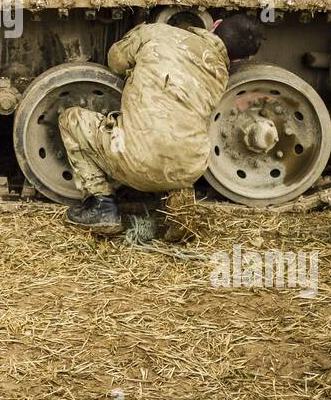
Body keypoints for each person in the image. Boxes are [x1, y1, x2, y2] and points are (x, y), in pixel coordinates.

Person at [59, 13, 266, 234]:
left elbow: (115, 61)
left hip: (135, 160)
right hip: (188, 173)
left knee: (70, 120)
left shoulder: (157, 33)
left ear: (215, 24)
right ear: (238, 61)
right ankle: (175, 201)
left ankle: (101, 205)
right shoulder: (220, 77)